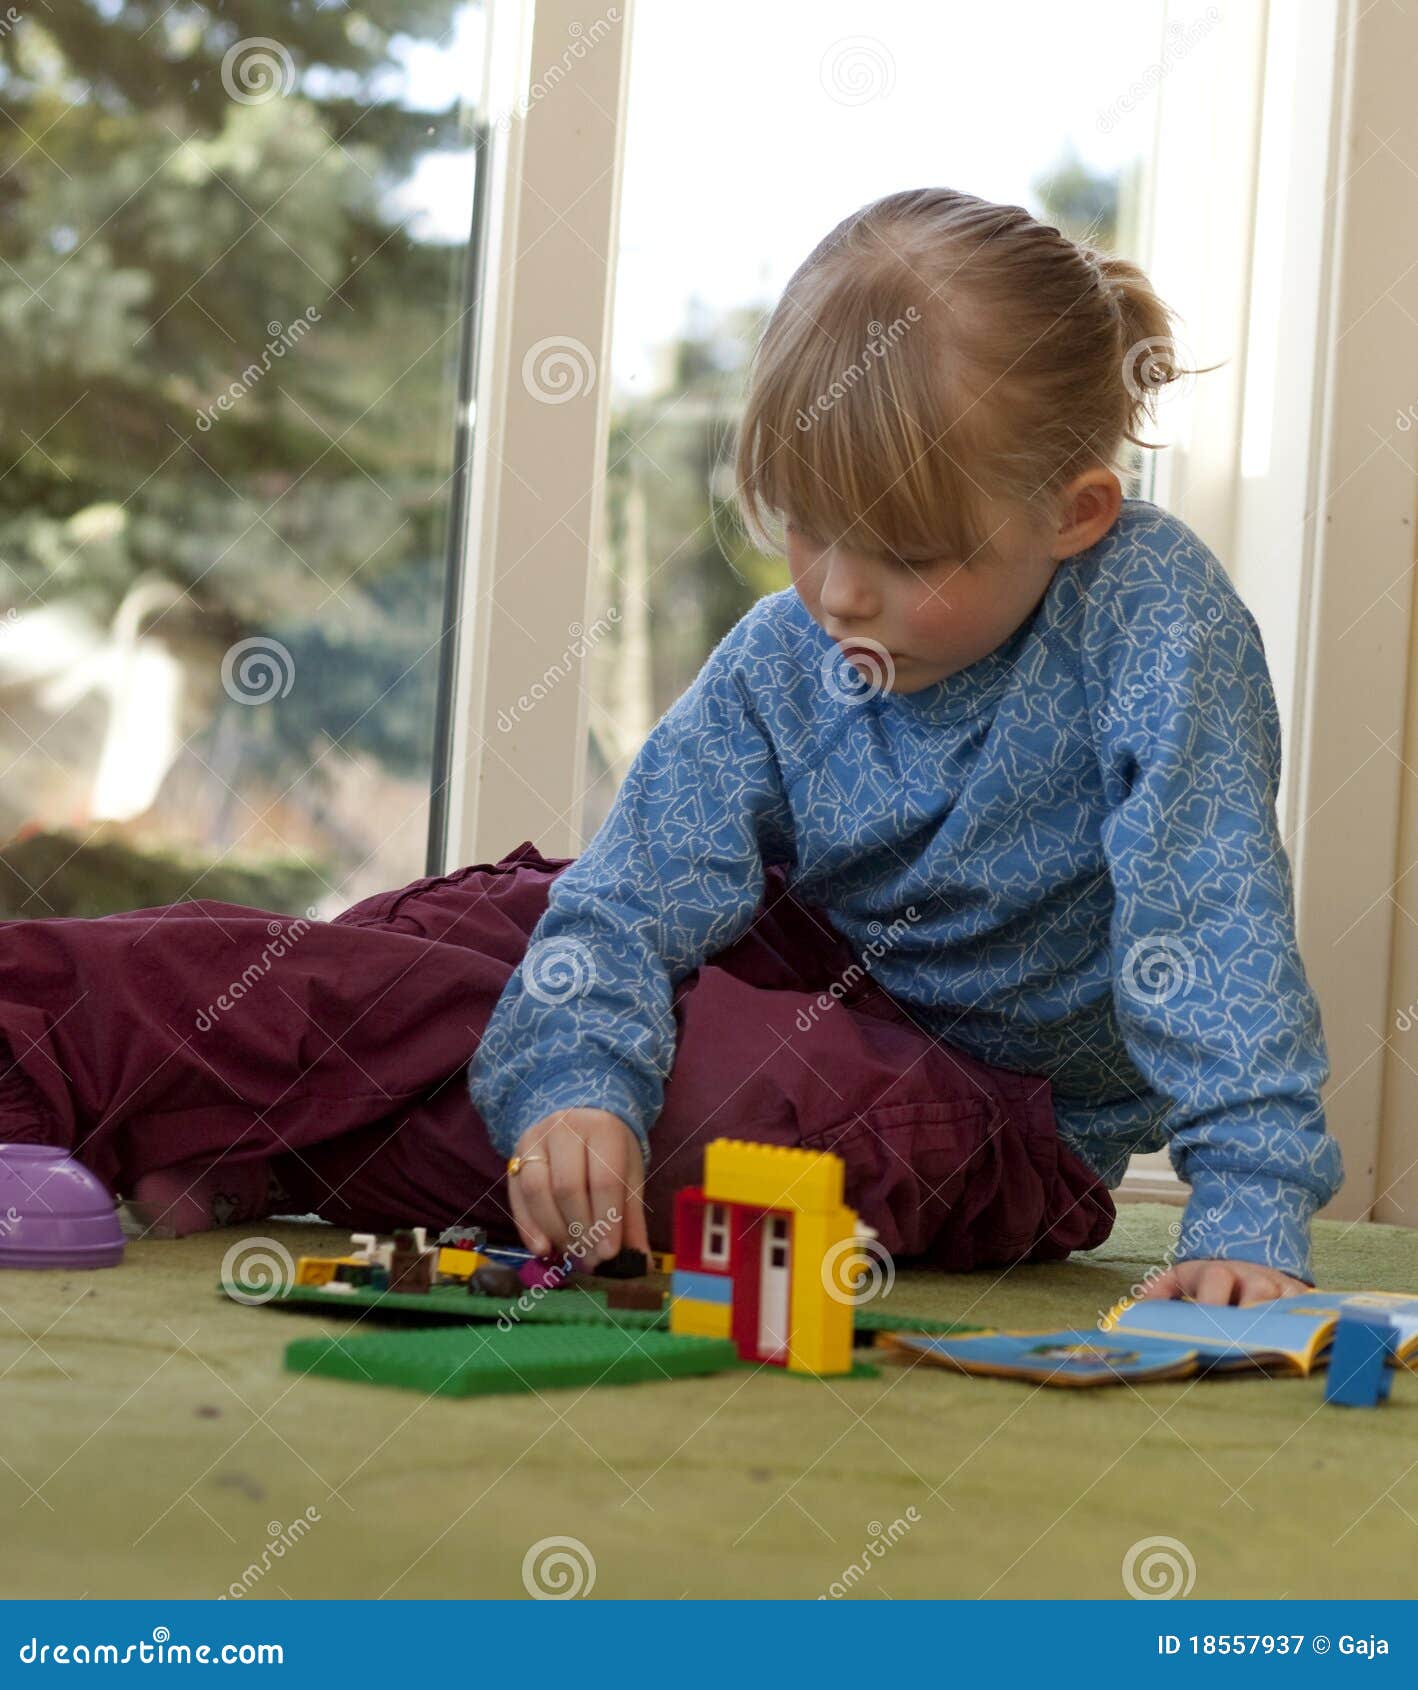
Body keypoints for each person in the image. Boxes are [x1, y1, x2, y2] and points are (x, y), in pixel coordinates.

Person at [0, 188, 1342, 1305]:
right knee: (459, 934)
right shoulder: (782, 648)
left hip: (989, 1108)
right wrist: (577, 1070)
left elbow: (1206, 909)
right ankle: (40, 1058)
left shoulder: (1153, 618)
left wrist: (1248, 1204)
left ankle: (229, 1129)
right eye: (804, 526)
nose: (837, 592)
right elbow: (632, 897)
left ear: (1075, 512)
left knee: (714, 1109)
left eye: (907, 555)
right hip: (774, 959)